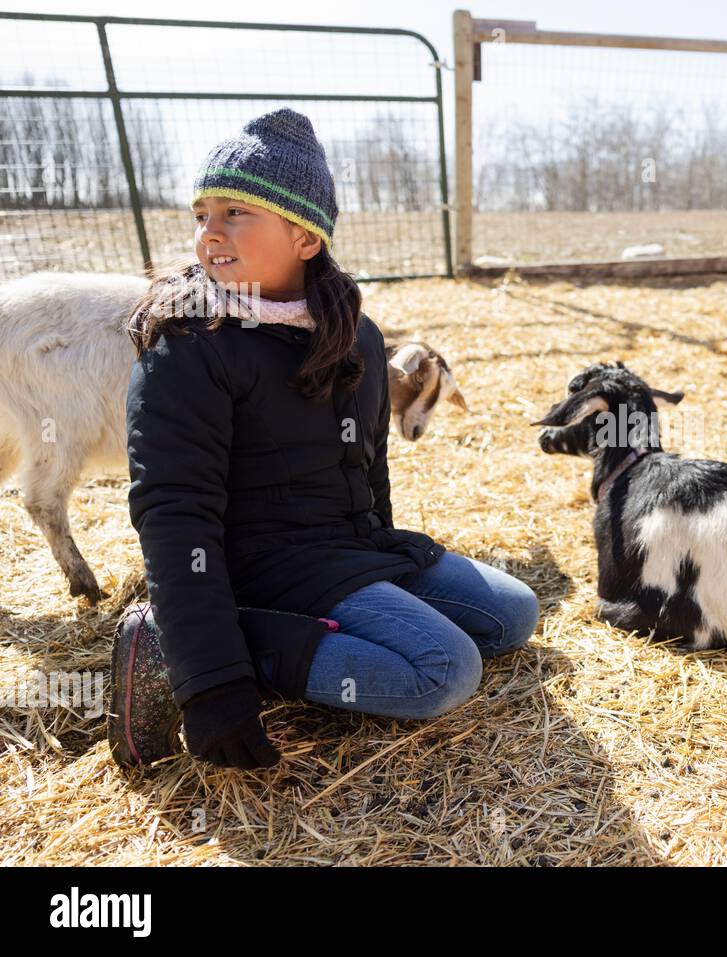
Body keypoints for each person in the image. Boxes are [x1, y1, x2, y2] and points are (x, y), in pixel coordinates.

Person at [109, 108, 538, 773]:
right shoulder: (189, 346)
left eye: (234, 214)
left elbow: (367, 469)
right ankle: (179, 642)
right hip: (256, 565)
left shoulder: (352, 332)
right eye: (202, 215)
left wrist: (387, 560)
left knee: (513, 613)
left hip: (345, 549)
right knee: (444, 671)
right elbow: (175, 516)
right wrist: (214, 681)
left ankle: (333, 616)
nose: (208, 236)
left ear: (306, 237)